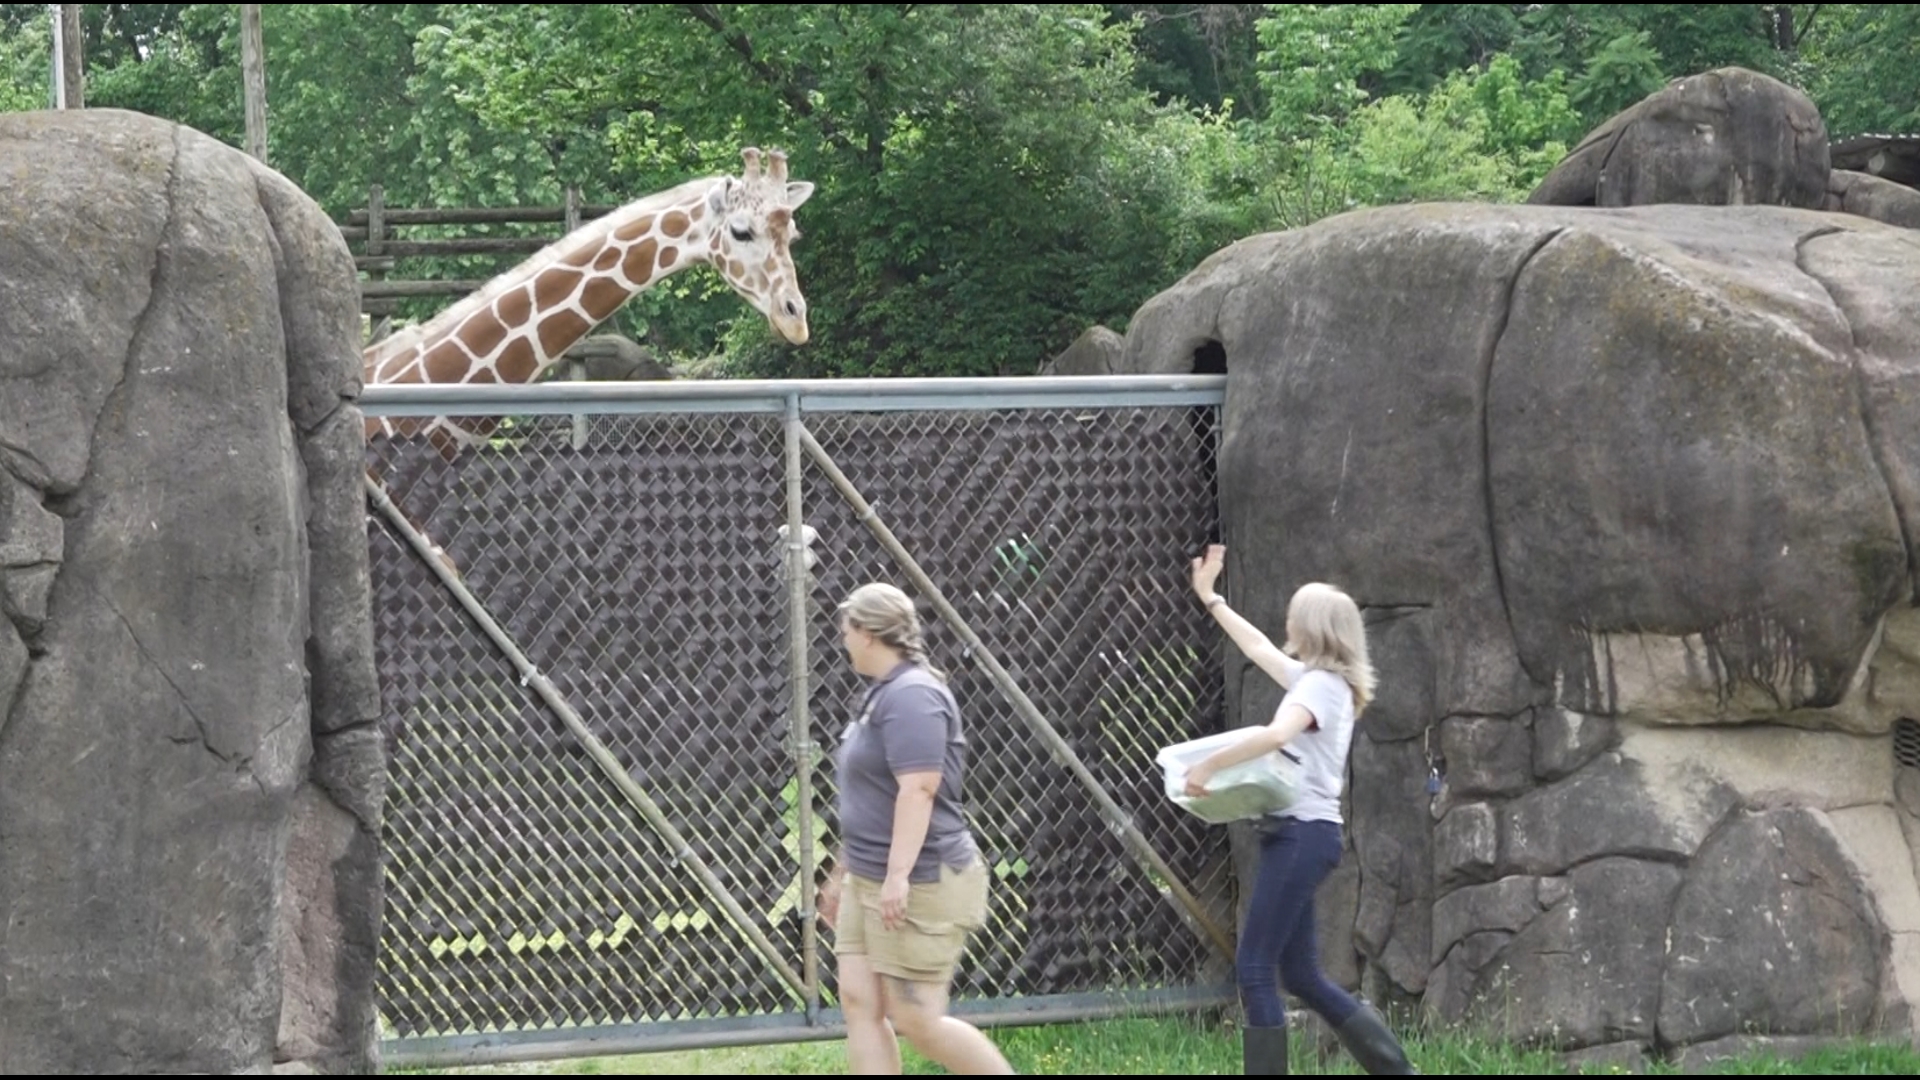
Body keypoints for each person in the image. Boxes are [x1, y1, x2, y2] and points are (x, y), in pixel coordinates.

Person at [1184, 544, 1417, 1076]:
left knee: (1255, 968)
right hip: (1304, 836)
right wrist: (1211, 598)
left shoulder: (1318, 688)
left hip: (1301, 836)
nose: (1286, 617)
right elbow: (1259, 647)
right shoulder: (1324, 683)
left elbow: (1275, 734)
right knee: (1304, 976)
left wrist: (1209, 766)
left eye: (1295, 610)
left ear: (1312, 627)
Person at [817, 582, 1015, 1076]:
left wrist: (897, 876)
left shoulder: (914, 696)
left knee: (918, 1019)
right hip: (870, 876)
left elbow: (919, 791)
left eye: (846, 630)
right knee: (860, 1001)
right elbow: (871, 799)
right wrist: (843, 874)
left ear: (868, 633)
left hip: (923, 879)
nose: (842, 639)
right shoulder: (879, 696)